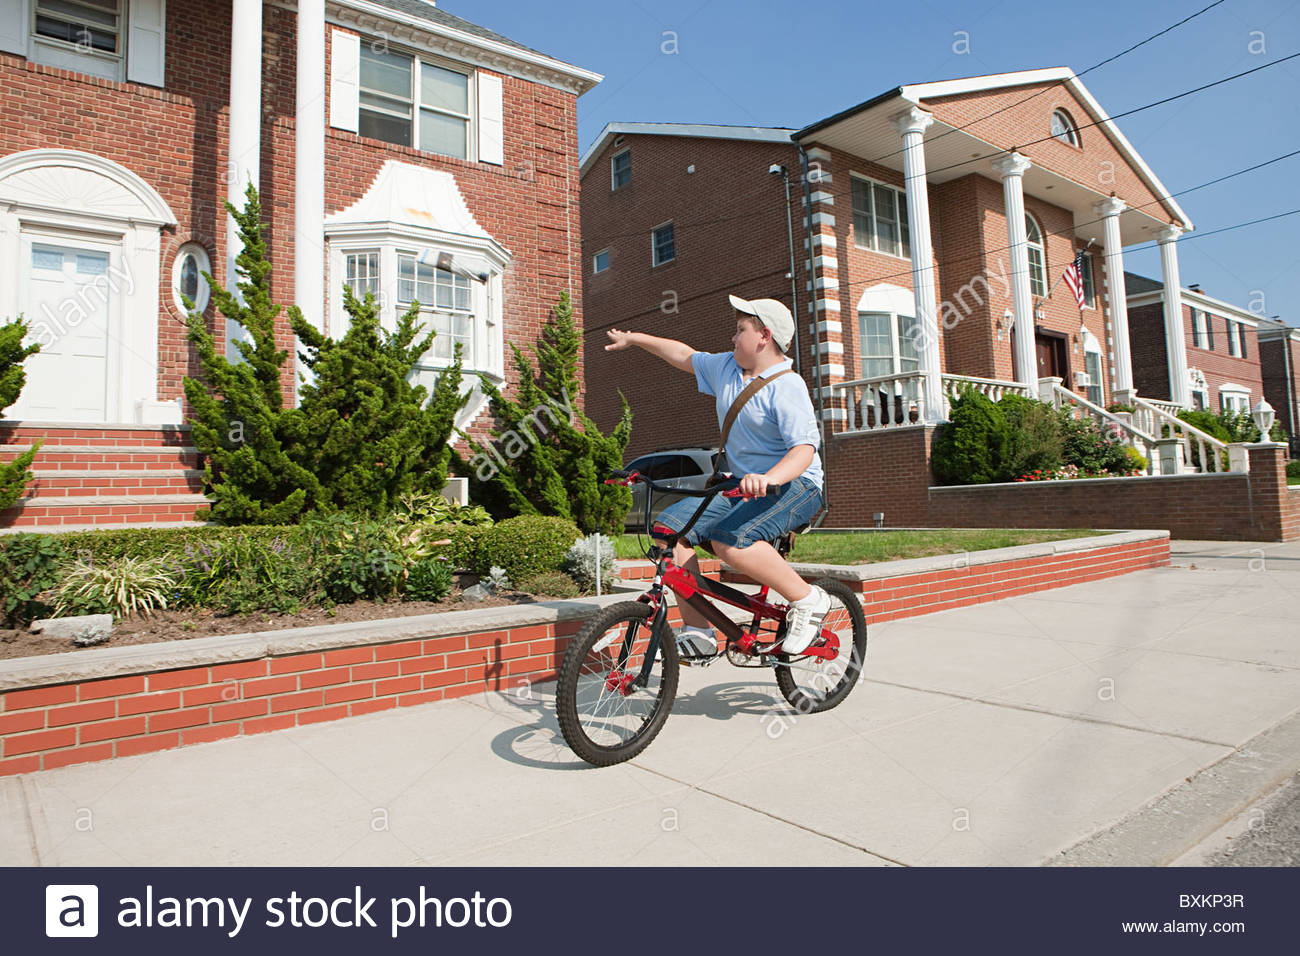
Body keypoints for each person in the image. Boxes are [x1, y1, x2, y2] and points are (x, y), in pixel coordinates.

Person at [604, 294, 830, 658]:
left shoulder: (787, 385)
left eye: (740, 329)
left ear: (764, 336)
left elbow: (804, 449)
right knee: (668, 532)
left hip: (795, 484)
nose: (732, 337)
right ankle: (699, 631)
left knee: (730, 542)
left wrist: (769, 478)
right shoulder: (726, 367)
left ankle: (808, 598)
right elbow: (681, 354)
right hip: (742, 486)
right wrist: (635, 339)